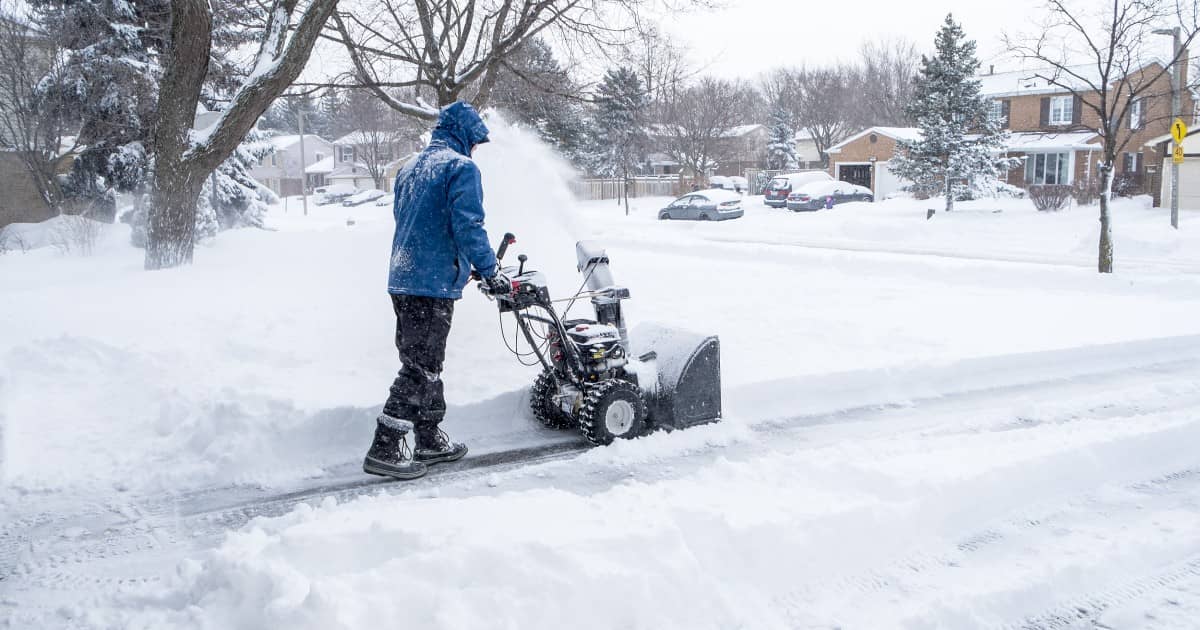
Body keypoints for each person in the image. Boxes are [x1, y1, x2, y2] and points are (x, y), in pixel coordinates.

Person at [363, 101, 511, 480]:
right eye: (475, 141)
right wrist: (490, 270)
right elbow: (468, 226)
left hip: (403, 278)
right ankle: (385, 445)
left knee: (426, 362)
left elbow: (415, 221)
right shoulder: (461, 168)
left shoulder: (411, 168)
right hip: (431, 283)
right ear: (463, 135)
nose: (475, 149)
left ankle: (428, 437)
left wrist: (459, 264)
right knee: (420, 365)